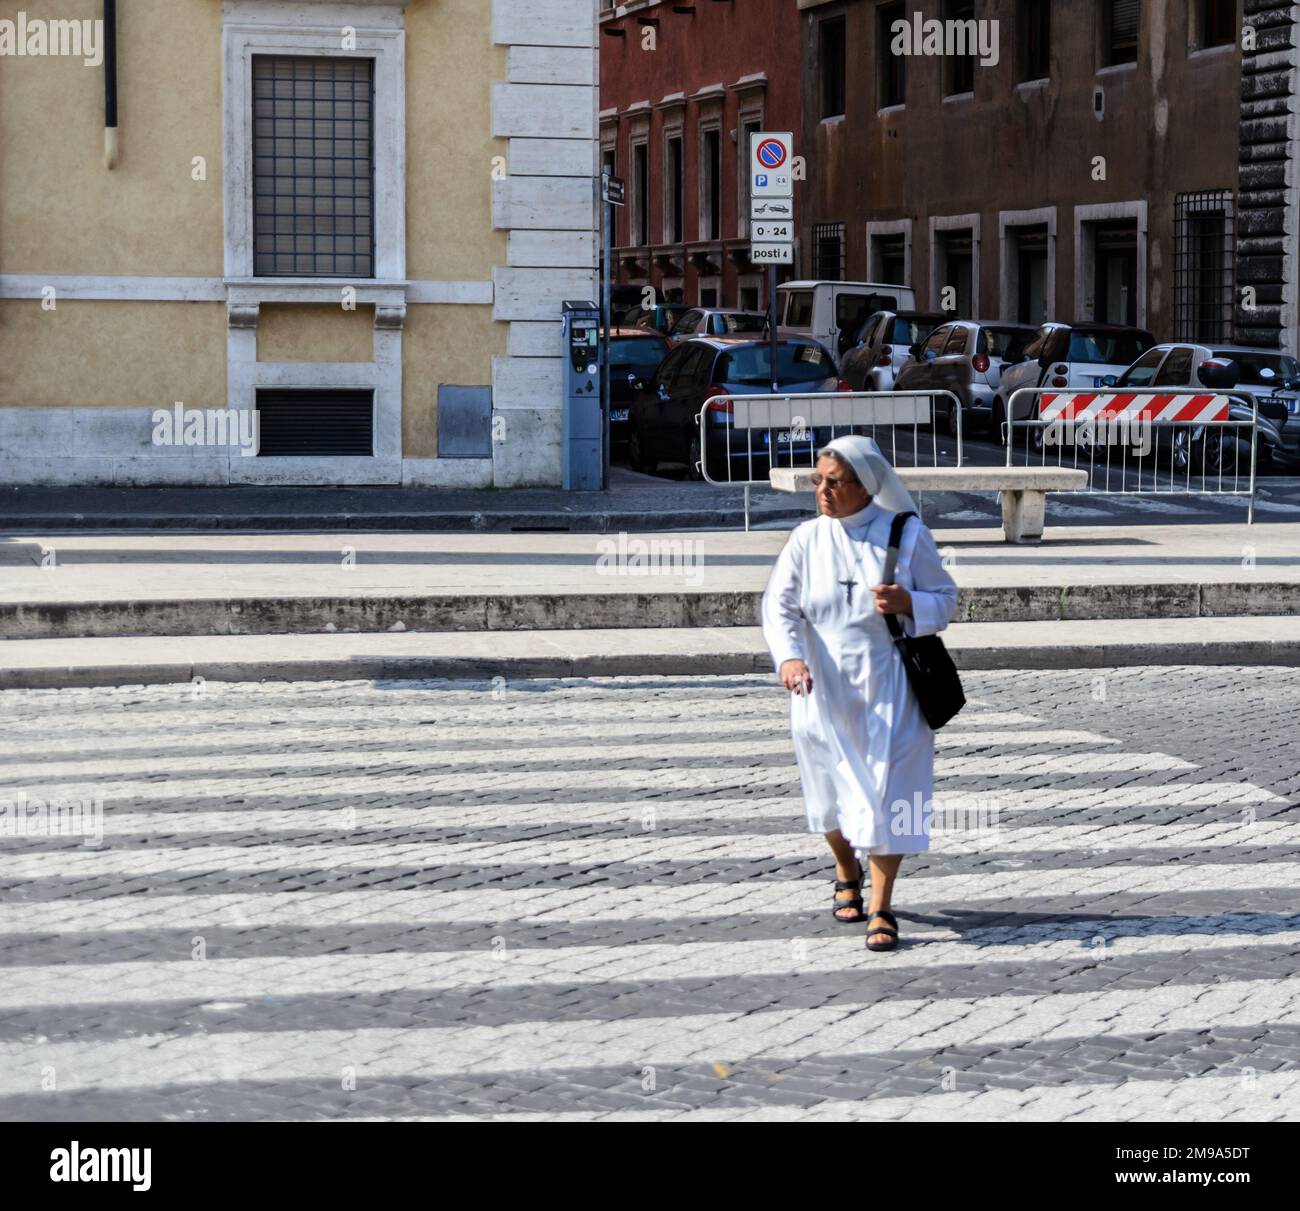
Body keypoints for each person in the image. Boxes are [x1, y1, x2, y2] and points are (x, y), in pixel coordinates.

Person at [760, 436, 959, 951]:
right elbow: (778, 606)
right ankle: (845, 868)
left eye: (834, 481)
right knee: (827, 793)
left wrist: (908, 601)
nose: (822, 490)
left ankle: (882, 905)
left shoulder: (905, 533)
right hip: (822, 686)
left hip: (888, 684)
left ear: (865, 485)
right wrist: (789, 657)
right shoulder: (806, 538)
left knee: (891, 792)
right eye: (817, 480)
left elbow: (946, 600)